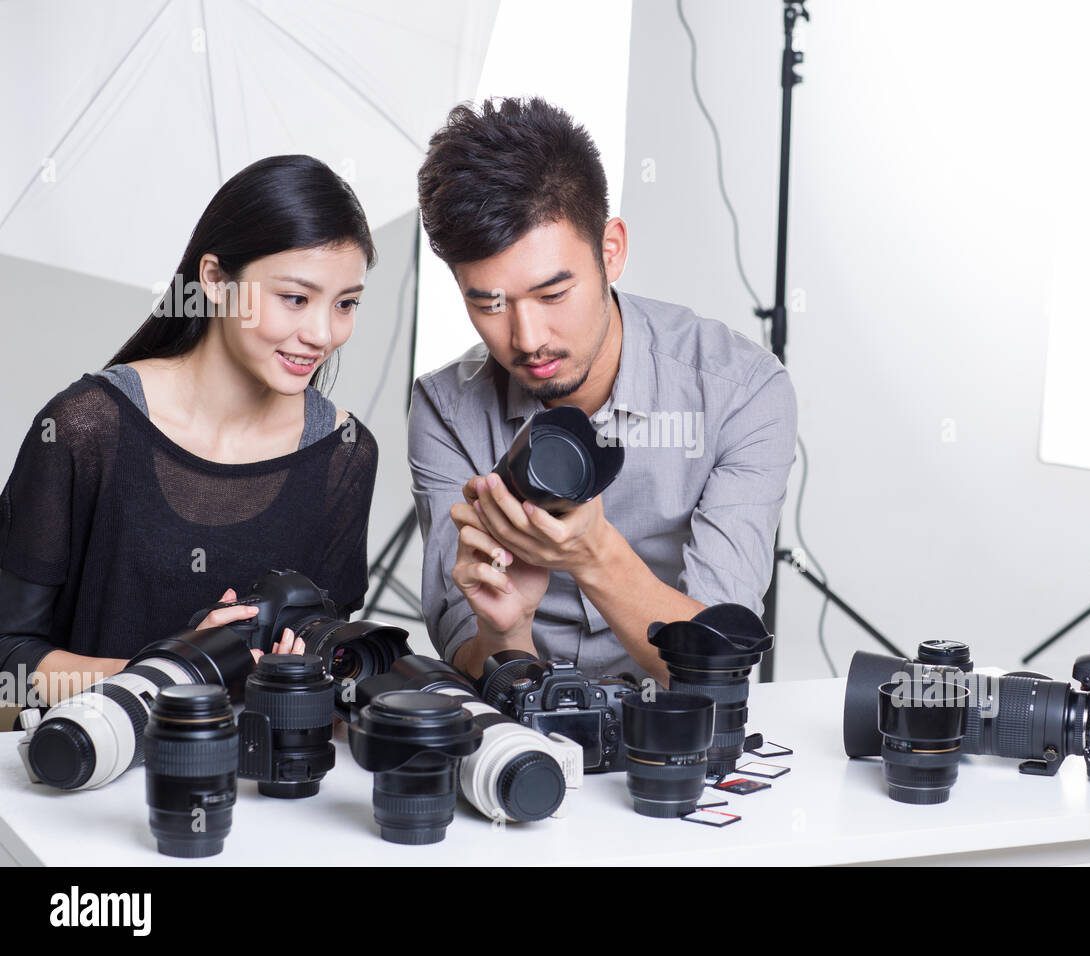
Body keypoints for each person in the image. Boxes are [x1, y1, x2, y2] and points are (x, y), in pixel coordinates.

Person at [409, 97, 797, 685]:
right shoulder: (446, 408)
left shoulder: (740, 392)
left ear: (610, 250)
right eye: (488, 302)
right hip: (521, 726)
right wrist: (506, 634)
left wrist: (593, 555)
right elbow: (463, 643)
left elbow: (722, 666)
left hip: (678, 731)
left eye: (553, 294)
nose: (527, 338)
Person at [0, 154, 380, 712]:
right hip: (91, 779)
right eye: (295, 298)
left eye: (345, 304)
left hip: (259, 788)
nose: (323, 334)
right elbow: (8, 661)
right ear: (215, 280)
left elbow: (329, 664)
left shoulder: (342, 455)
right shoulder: (85, 428)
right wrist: (176, 674)